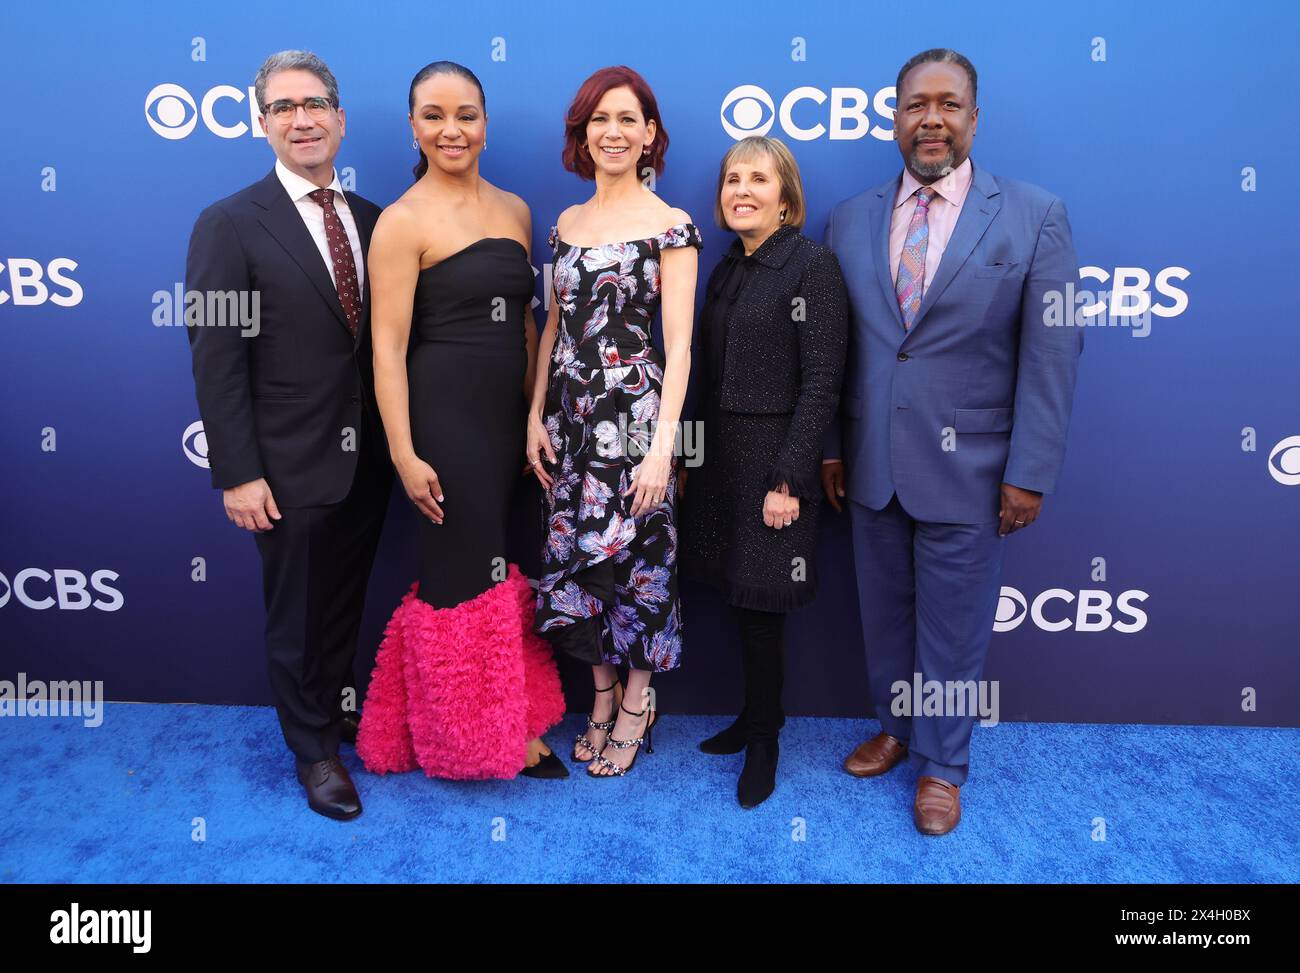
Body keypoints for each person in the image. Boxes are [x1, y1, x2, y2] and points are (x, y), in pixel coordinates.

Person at [821, 49, 1083, 835]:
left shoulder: (1035, 214)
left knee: (956, 624)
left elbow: (1054, 352)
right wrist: (833, 447)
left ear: (974, 116)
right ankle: (899, 729)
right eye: (914, 105)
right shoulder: (851, 216)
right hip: (870, 462)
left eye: (947, 104)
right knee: (887, 614)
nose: (929, 118)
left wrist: (1030, 470)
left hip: (974, 467)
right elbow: (836, 350)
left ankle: (944, 764)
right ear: (894, 117)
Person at [185, 50, 393, 820]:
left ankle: (333, 712)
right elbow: (215, 359)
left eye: (314, 104)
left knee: (342, 601)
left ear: (339, 118)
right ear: (261, 123)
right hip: (284, 465)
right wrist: (238, 472)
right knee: (296, 613)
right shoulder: (229, 223)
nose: (301, 119)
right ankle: (312, 754)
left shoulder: (373, 219)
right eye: (282, 107)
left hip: (367, 460)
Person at [355, 61, 567, 781]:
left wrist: (535, 413)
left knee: (496, 562)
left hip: (507, 424)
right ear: (413, 126)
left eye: (466, 114)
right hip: (441, 424)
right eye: (435, 115)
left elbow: (531, 326)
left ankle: (501, 713)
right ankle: (468, 741)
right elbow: (385, 348)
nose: (453, 130)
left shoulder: (515, 209)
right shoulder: (401, 221)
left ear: (486, 122)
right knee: (457, 575)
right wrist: (403, 452)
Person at [527, 65, 701, 778]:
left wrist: (664, 448)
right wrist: (534, 412)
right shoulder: (565, 223)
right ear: (583, 133)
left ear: (650, 133)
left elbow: (681, 343)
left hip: (636, 420)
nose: (614, 132)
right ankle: (599, 700)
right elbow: (552, 328)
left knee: (638, 563)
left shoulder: (672, 226)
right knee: (577, 560)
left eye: (628, 119)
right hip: (569, 421)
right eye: (600, 120)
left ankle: (636, 705)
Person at [680, 136, 846, 808]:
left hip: (773, 463)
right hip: (718, 461)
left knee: (760, 612)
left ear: (786, 197)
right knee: (733, 595)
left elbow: (823, 381)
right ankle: (749, 718)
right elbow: (699, 372)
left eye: (757, 179)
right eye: (731, 179)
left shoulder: (813, 266)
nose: (741, 190)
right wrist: (690, 458)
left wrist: (788, 480)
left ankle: (766, 739)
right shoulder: (725, 267)